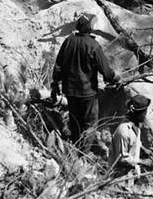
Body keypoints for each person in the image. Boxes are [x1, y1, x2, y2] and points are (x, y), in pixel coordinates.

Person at [50, 13, 118, 142]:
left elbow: (58, 66)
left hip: (70, 91)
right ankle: (83, 154)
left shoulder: (68, 41)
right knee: (90, 125)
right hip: (87, 93)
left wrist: (55, 84)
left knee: (75, 121)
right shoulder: (93, 45)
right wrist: (113, 78)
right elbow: (106, 71)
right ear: (90, 27)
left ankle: (76, 147)